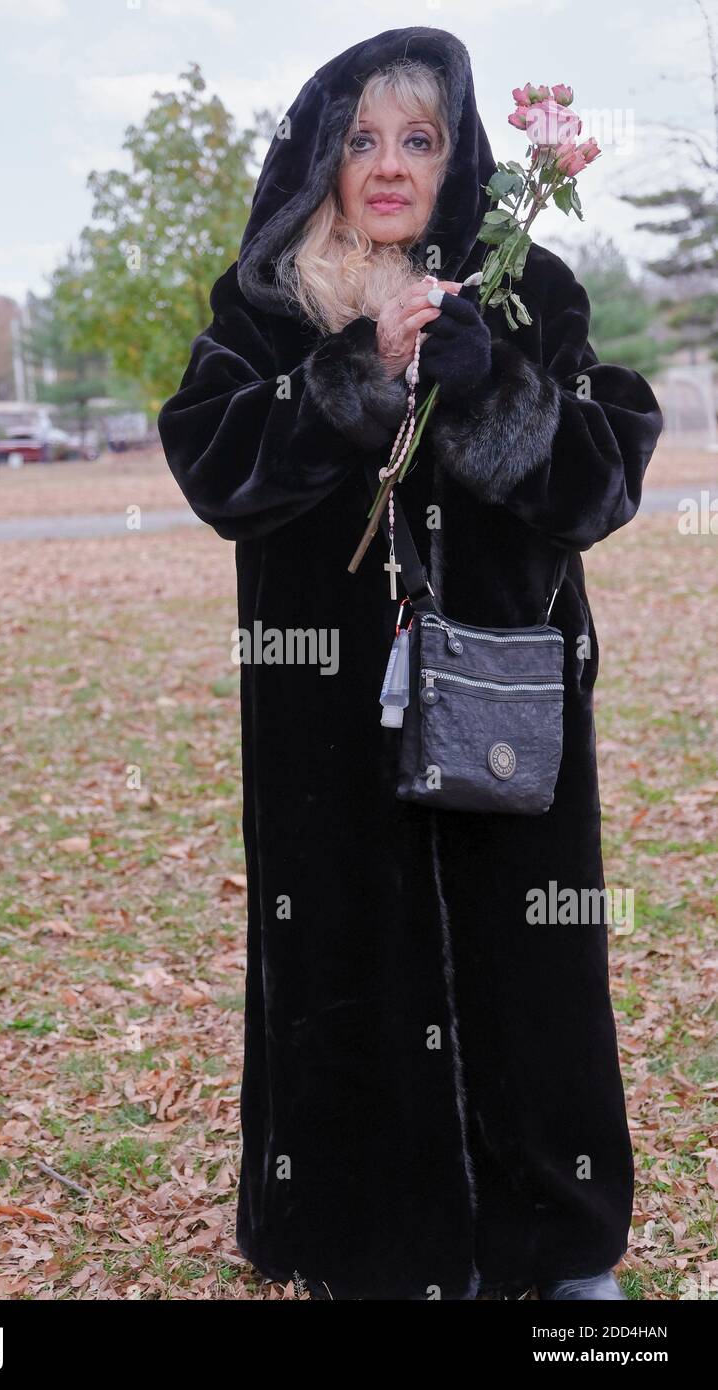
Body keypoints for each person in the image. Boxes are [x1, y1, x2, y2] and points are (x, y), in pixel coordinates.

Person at [158, 27, 663, 1301]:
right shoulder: (267, 302)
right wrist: (347, 379)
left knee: (526, 963)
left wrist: (490, 383)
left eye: (419, 139)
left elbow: (602, 477)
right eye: (362, 138)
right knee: (340, 959)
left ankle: (556, 1244)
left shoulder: (524, 285)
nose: (388, 166)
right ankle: (357, 1244)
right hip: (323, 706)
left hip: (504, 689)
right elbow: (211, 459)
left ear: (460, 157)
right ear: (322, 155)